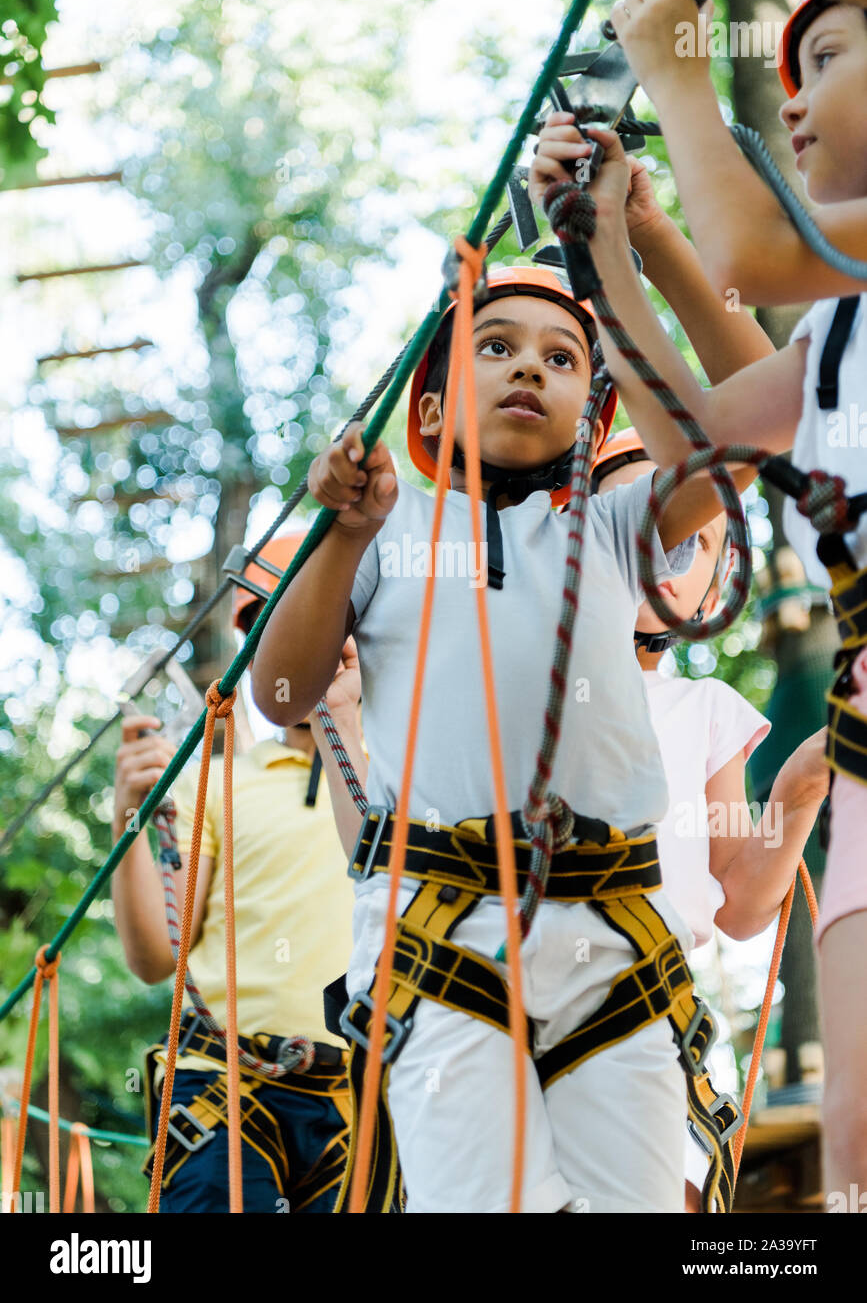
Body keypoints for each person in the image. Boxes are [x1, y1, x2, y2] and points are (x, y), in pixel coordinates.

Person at [251, 227, 775, 1212]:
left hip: (610, 937)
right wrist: (343, 535)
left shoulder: (615, 526)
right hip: (442, 931)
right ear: (435, 402)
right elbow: (281, 694)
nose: (529, 363)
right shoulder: (390, 526)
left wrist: (642, 244)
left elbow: (759, 415)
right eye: (495, 345)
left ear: (595, 410)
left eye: (563, 355)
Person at [529, 0, 867, 1198]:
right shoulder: (841, 321)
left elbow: (754, 249)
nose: (789, 98)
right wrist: (618, 238)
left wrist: (675, 64)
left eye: (824, 58)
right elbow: (701, 441)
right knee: (858, 1146)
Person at [594, 430, 828, 1210]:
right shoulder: (514, 686)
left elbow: (736, 900)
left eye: (688, 542)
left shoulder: (704, 712)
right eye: (638, 524)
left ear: (720, 576)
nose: (661, 555)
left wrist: (796, 792)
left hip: (650, 1020)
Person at [111, 534, 362, 1212]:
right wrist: (130, 820)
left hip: (365, 1102)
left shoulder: (409, 779)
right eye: (287, 632)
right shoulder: (218, 785)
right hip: (226, 1086)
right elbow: (156, 955)